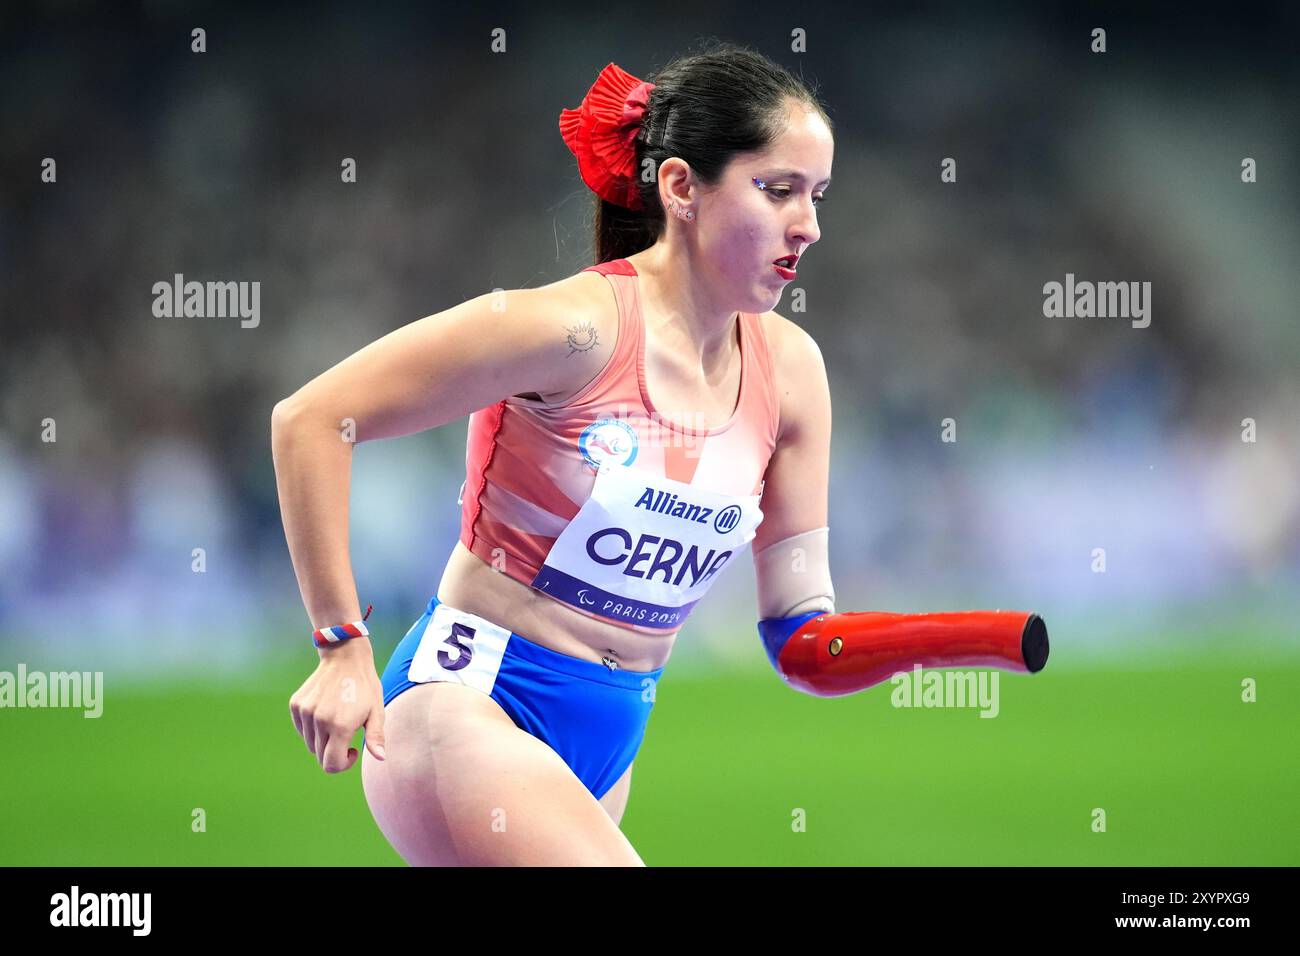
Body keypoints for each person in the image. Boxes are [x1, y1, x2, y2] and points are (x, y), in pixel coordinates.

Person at [272, 43, 1048, 867]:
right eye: (778, 190)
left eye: (817, 196)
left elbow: (801, 639)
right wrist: (341, 645)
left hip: (609, 744)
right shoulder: (570, 329)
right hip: (464, 711)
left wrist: (979, 635)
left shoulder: (792, 374)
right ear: (681, 187)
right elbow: (312, 420)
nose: (808, 225)